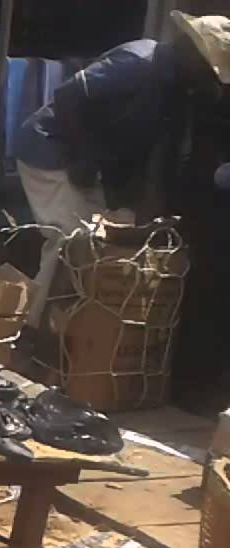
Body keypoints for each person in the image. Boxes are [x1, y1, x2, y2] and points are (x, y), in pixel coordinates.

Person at [12, 11, 228, 322]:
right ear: (192, 54)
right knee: (72, 244)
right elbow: (70, 97)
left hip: (92, 166)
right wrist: (84, 158)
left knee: (102, 245)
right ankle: (33, 331)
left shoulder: (176, 88)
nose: (207, 79)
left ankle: (79, 331)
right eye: (208, 70)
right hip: (52, 151)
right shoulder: (138, 63)